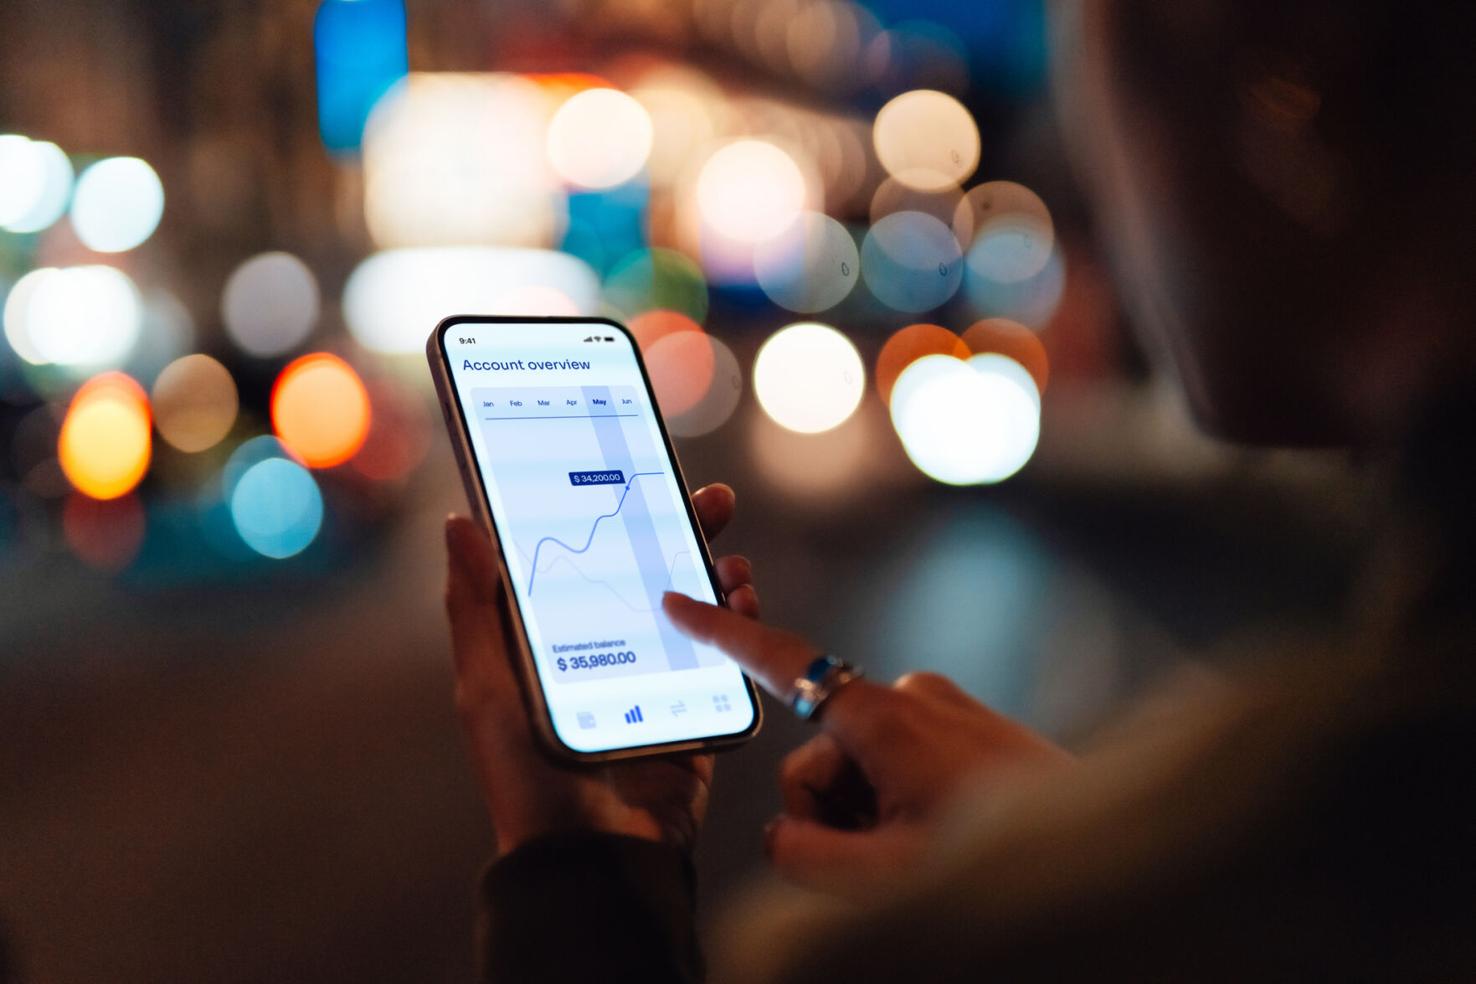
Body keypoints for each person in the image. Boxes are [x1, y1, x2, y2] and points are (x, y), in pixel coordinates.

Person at [443, 2, 1476, 980]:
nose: (1099, 181)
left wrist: (583, 878)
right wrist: (1075, 832)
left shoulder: (1064, 933)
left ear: (1303, 78)